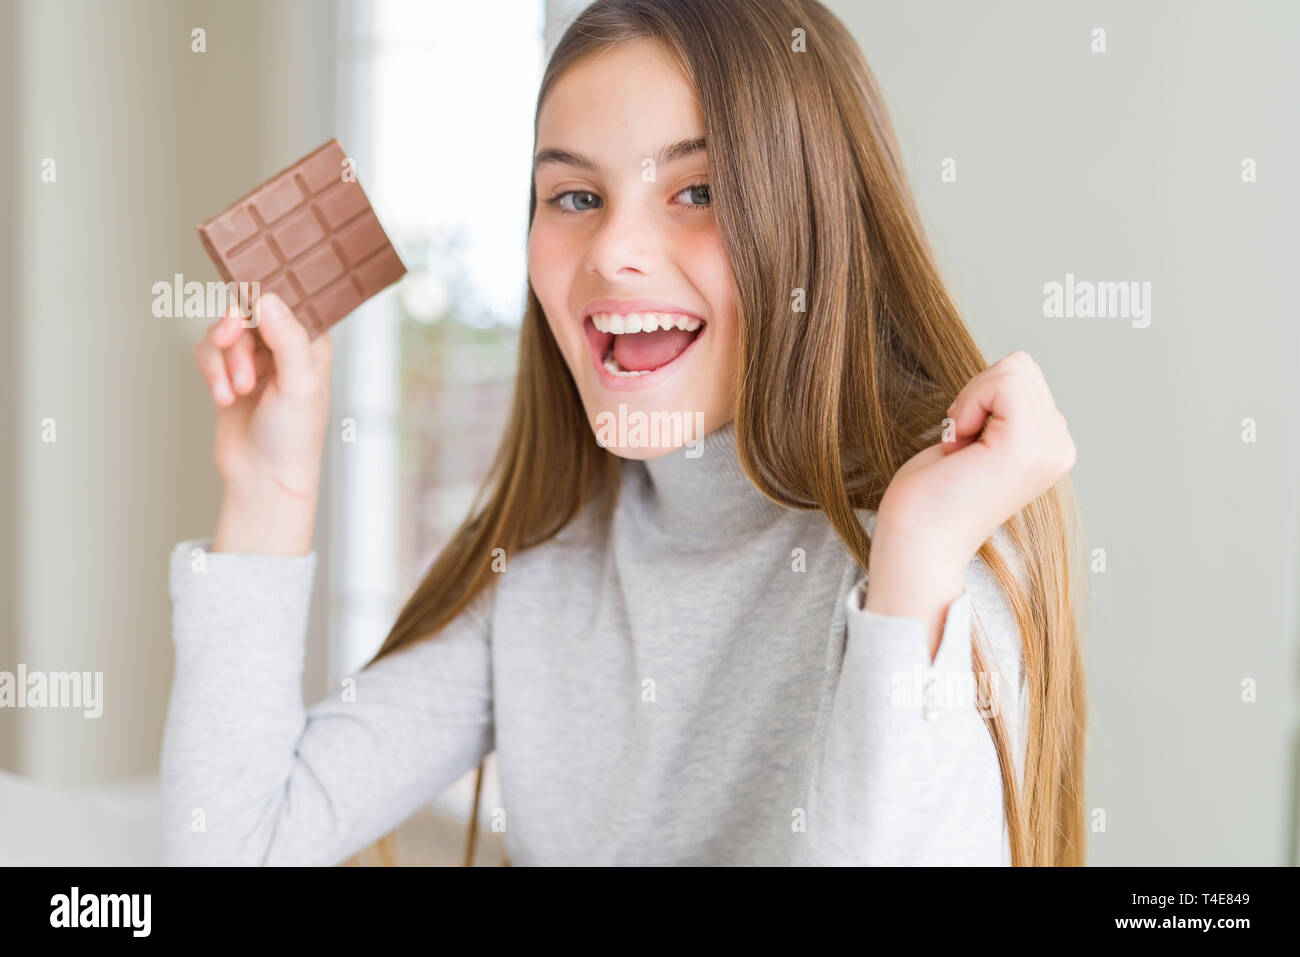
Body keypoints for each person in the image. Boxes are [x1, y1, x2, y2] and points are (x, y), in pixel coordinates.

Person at [164, 0, 1084, 866]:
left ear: (817, 222)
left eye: (699, 189)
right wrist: (266, 490)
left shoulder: (937, 551)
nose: (611, 251)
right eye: (573, 197)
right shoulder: (540, 573)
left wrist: (917, 555)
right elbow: (234, 846)